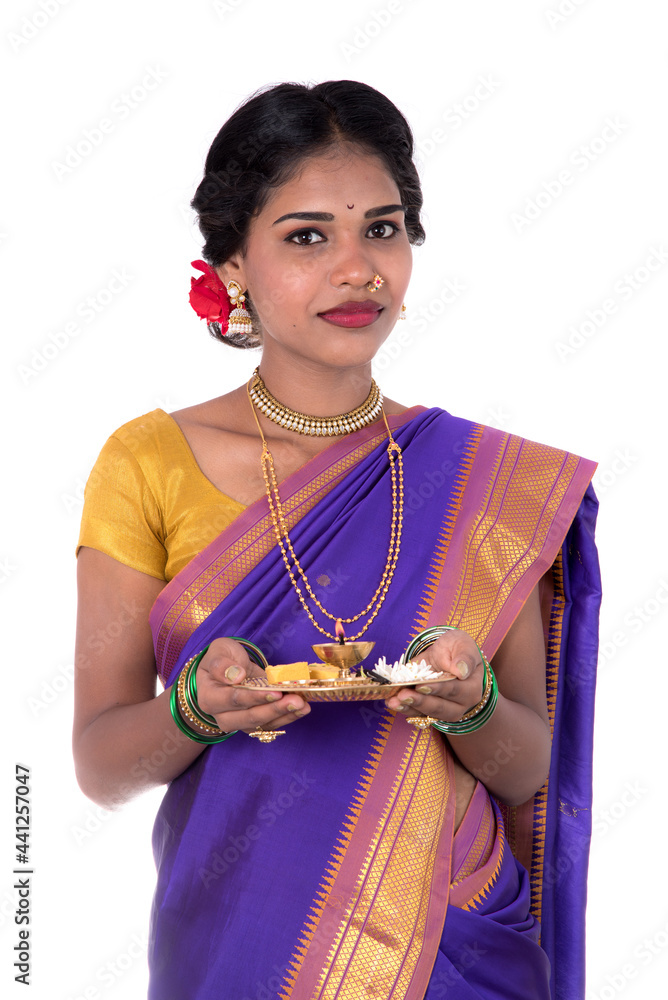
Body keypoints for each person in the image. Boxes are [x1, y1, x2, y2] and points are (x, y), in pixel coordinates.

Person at [73, 81, 601, 1000]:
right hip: (238, 948)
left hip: (454, 945)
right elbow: (100, 766)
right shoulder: (147, 463)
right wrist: (194, 712)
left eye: (383, 230)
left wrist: (471, 705)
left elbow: (527, 768)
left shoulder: (481, 478)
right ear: (233, 262)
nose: (358, 269)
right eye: (307, 236)